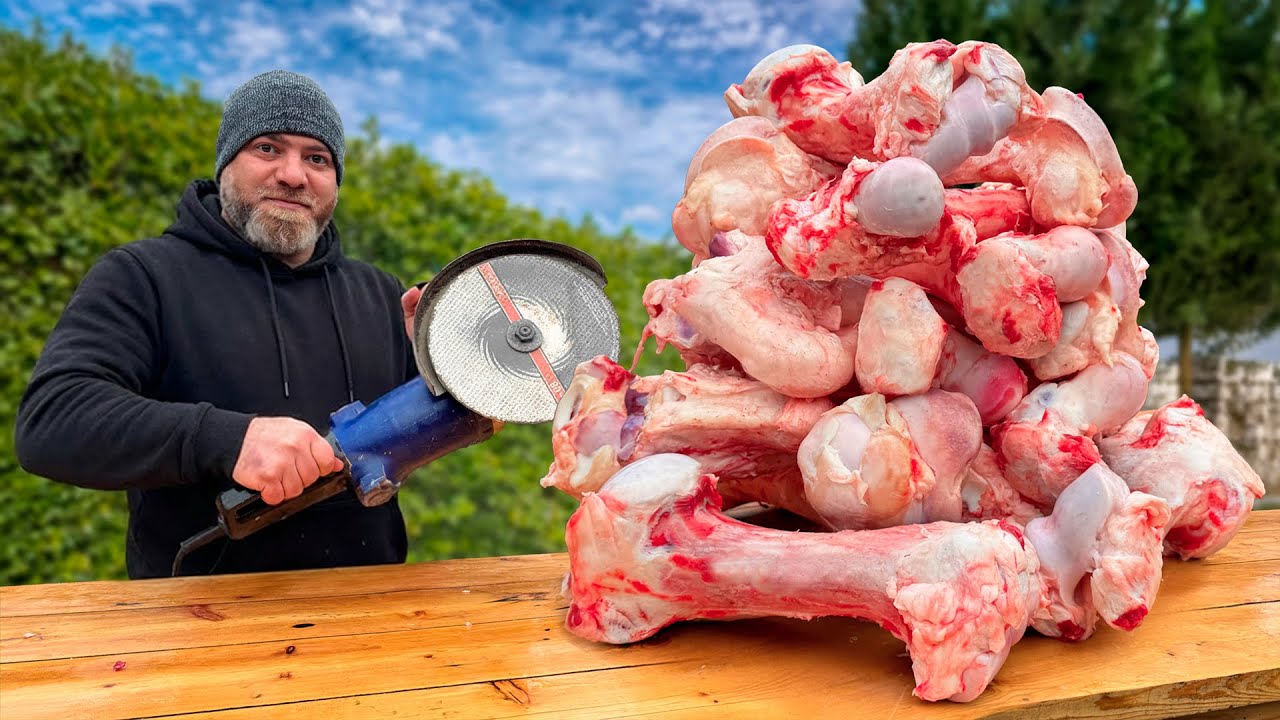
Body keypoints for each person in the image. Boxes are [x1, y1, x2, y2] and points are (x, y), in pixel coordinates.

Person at [15, 70, 424, 578]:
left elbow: (437, 424)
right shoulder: (144, 276)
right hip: (199, 618)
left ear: (334, 181)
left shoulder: (381, 292)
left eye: (316, 158)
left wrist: (446, 367)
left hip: (371, 606)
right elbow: (52, 421)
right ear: (226, 164)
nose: (294, 175)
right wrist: (228, 439)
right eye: (268, 149)